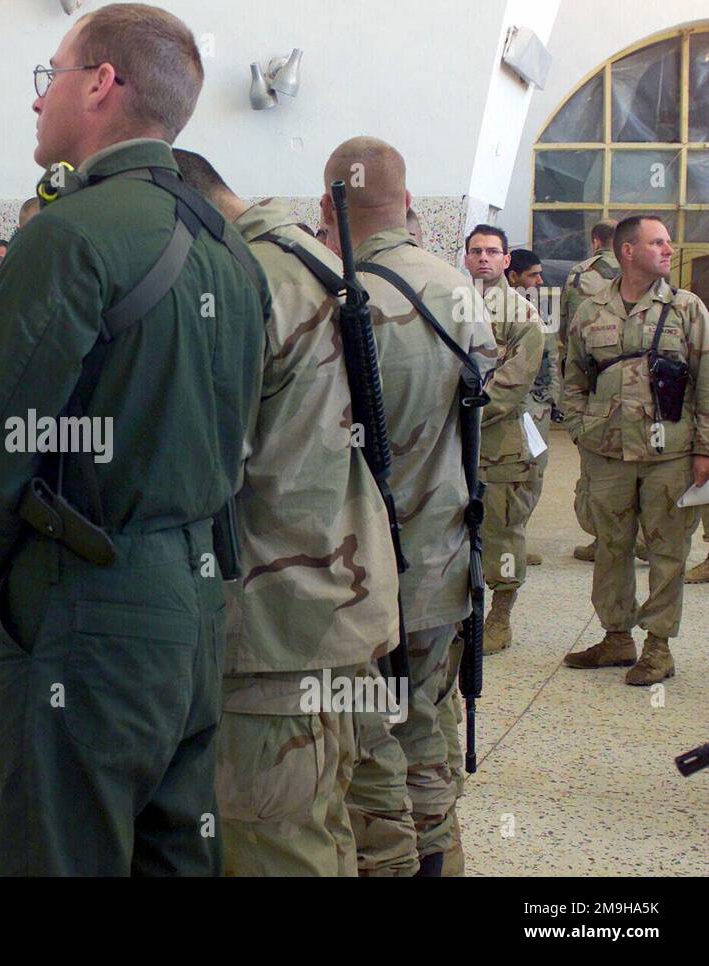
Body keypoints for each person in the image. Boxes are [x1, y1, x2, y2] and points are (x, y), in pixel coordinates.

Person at [0, 2, 267, 875]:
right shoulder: (228, 246)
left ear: (101, 84)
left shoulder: (71, 234)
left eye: (50, 75)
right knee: (172, 854)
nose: (38, 99)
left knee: (58, 848)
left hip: (88, 604)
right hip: (194, 605)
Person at [175, 147, 402, 876]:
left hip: (276, 619)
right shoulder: (308, 253)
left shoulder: (246, 280)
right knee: (323, 822)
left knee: (273, 842)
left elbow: (207, 464)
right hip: (341, 594)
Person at [324, 136, 497, 876]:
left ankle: (389, 863)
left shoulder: (335, 295)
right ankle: (439, 858)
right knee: (428, 716)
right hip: (446, 554)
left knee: (367, 736)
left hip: (358, 572)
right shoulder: (458, 290)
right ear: (407, 202)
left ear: (329, 206)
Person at [561, 215, 709, 685]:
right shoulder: (590, 310)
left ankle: (658, 647)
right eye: (658, 242)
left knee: (667, 550)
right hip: (607, 454)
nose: (669, 249)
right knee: (611, 547)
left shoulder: (688, 309)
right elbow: (573, 379)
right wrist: (584, 430)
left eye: (667, 242)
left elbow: (707, 384)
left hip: (671, 455)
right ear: (628, 251)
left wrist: (705, 449)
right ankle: (616, 637)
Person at [464, 227, 544, 654]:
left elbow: (513, 381)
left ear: (506, 260)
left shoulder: (522, 315)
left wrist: (462, 412)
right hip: (451, 442)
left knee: (502, 529)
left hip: (500, 440)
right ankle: (464, 611)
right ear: (465, 257)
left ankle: (500, 615)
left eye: (492, 252)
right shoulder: (449, 304)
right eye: (475, 251)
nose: (483, 258)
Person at [564, 220, 621, 562]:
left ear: (595, 240)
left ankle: (604, 539)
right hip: (637, 385)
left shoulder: (580, 273)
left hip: (594, 384)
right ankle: (639, 535)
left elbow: (569, 332)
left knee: (596, 468)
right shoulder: (644, 273)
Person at [508, 248, 558, 567]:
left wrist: (549, 399)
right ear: (513, 277)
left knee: (534, 472)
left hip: (535, 408)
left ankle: (517, 538)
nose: (540, 281)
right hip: (510, 407)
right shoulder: (493, 312)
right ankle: (506, 543)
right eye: (532, 275)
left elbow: (550, 358)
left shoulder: (536, 309)